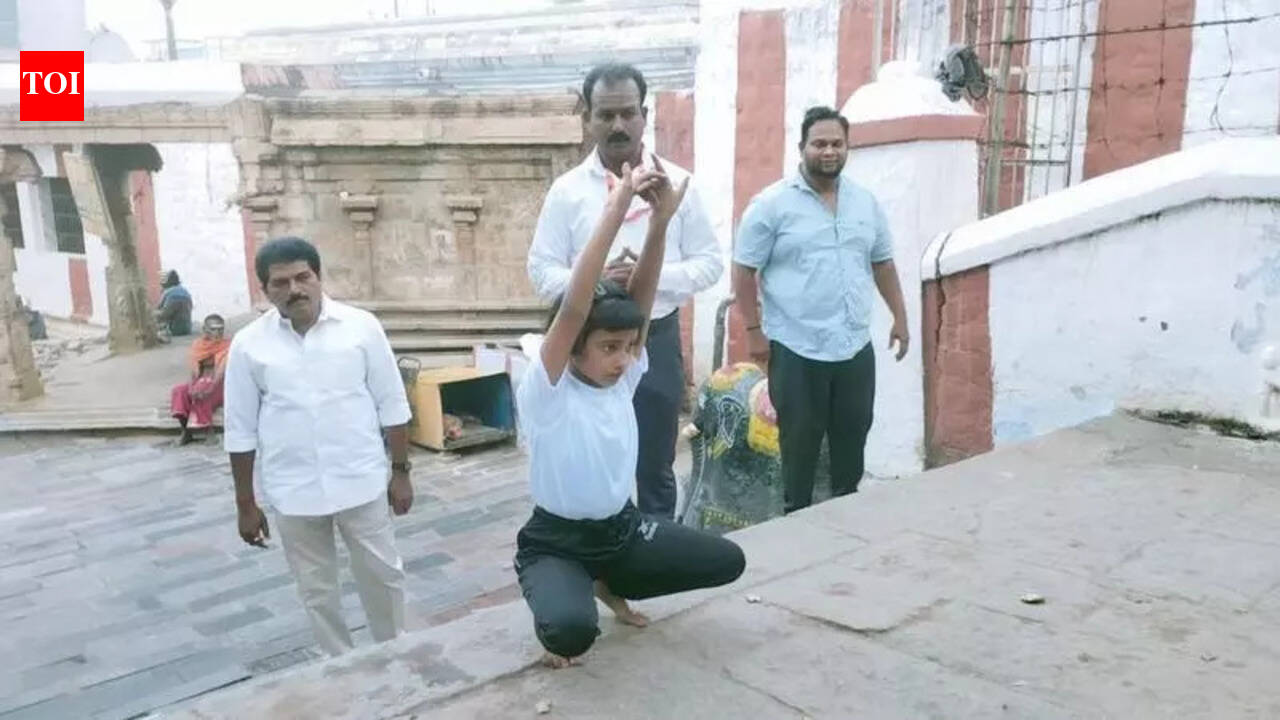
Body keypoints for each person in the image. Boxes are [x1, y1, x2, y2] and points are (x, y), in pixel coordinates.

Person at [515, 157, 745, 669]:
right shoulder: (547, 390)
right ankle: (567, 582)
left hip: (620, 531)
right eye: (609, 348)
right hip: (555, 539)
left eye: (629, 347)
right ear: (575, 347)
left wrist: (660, 222)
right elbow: (574, 306)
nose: (624, 360)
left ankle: (605, 579)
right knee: (570, 633)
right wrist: (618, 209)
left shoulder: (621, 379)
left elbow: (640, 301)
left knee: (730, 561)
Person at [527, 62, 723, 519]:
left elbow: (710, 265)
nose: (617, 125)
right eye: (606, 114)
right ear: (588, 118)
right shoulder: (567, 192)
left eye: (627, 113)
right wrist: (594, 284)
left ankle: (655, 560)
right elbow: (541, 271)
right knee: (589, 458)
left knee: (655, 463)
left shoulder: (677, 185)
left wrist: (644, 283)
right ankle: (595, 553)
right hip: (583, 348)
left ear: (645, 116)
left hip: (655, 337)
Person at [223, 237, 415, 656]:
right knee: (316, 589)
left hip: (360, 481)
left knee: (383, 576)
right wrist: (245, 503)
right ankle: (338, 667)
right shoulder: (249, 345)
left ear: (318, 276)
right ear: (265, 290)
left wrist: (400, 471)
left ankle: (396, 656)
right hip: (293, 491)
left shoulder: (362, 327)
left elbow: (392, 403)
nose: (294, 290)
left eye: (302, 277)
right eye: (280, 283)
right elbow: (239, 430)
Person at [731, 106, 910, 515]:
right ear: (802, 148)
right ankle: (798, 522)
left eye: (837, 144)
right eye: (820, 144)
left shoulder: (864, 202)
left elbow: (882, 262)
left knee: (853, 435)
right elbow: (743, 271)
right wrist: (754, 331)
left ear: (847, 148)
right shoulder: (771, 205)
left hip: (852, 345)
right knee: (800, 443)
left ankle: (844, 519)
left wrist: (900, 317)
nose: (828, 151)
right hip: (798, 347)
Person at [171, 314, 231, 445]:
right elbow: (194, 371)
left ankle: (209, 433)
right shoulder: (198, 345)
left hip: (220, 385)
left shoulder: (227, 346)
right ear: (205, 330)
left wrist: (206, 387)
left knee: (201, 391)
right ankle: (185, 432)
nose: (218, 333)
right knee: (179, 391)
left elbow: (220, 373)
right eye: (214, 329)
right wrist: (192, 387)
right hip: (201, 381)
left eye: (221, 329)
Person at [156, 270, 194, 339]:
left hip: (173, 331)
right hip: (187, 330)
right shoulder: (185, 291)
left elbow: (162, 314)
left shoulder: (168, 292)